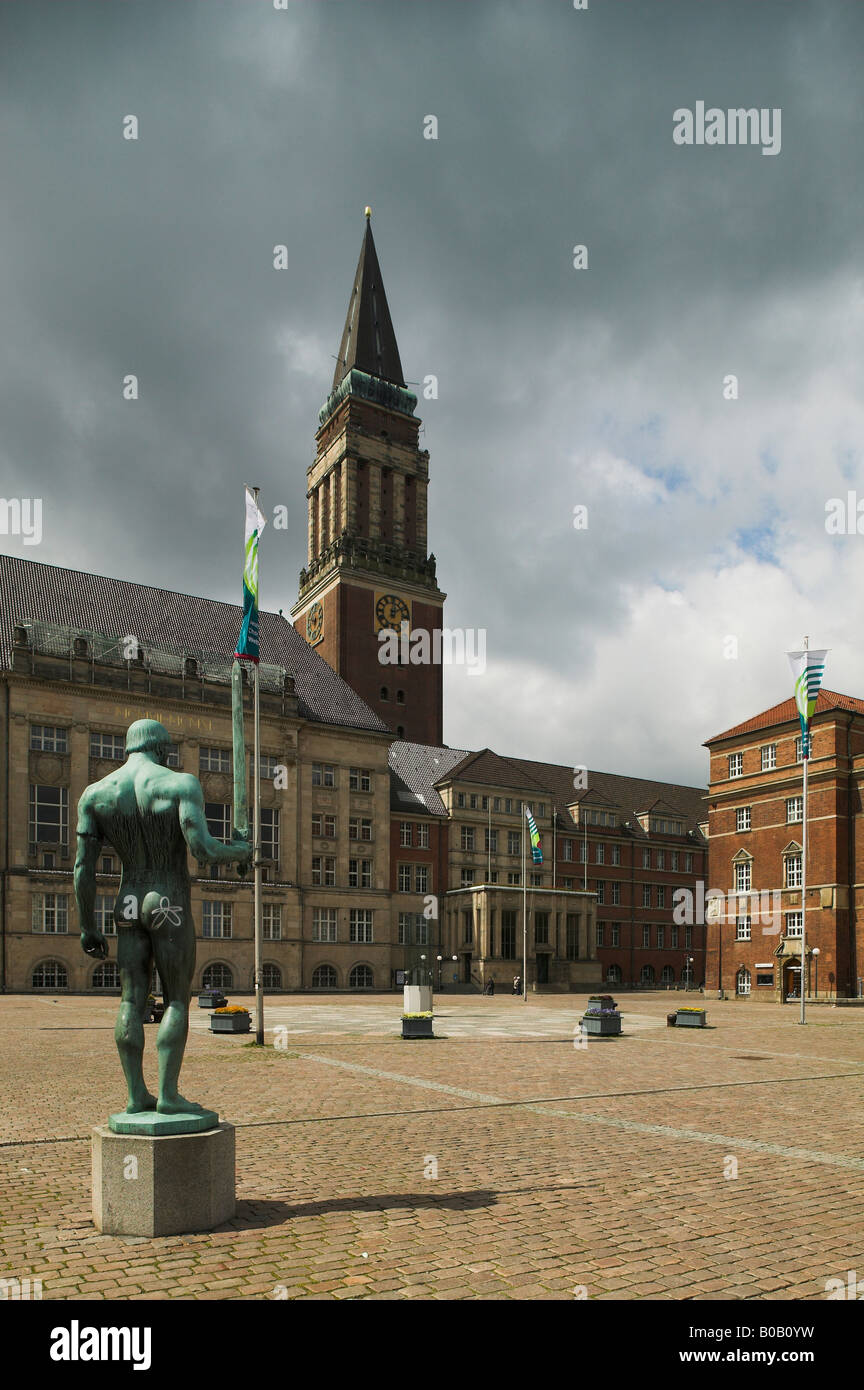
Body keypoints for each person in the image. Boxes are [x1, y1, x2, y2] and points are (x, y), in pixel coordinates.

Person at [74, 718, 251, 1117]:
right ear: (162, 749)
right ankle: (169, 1094)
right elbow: (203, 849)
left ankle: (137, 1094)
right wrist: (241, 851)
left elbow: (83, 868)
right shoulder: (179, 784)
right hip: (166, 900)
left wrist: (88, 924)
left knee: (131, 999)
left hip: (127, 902)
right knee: (176, 999)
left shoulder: (95, 794)